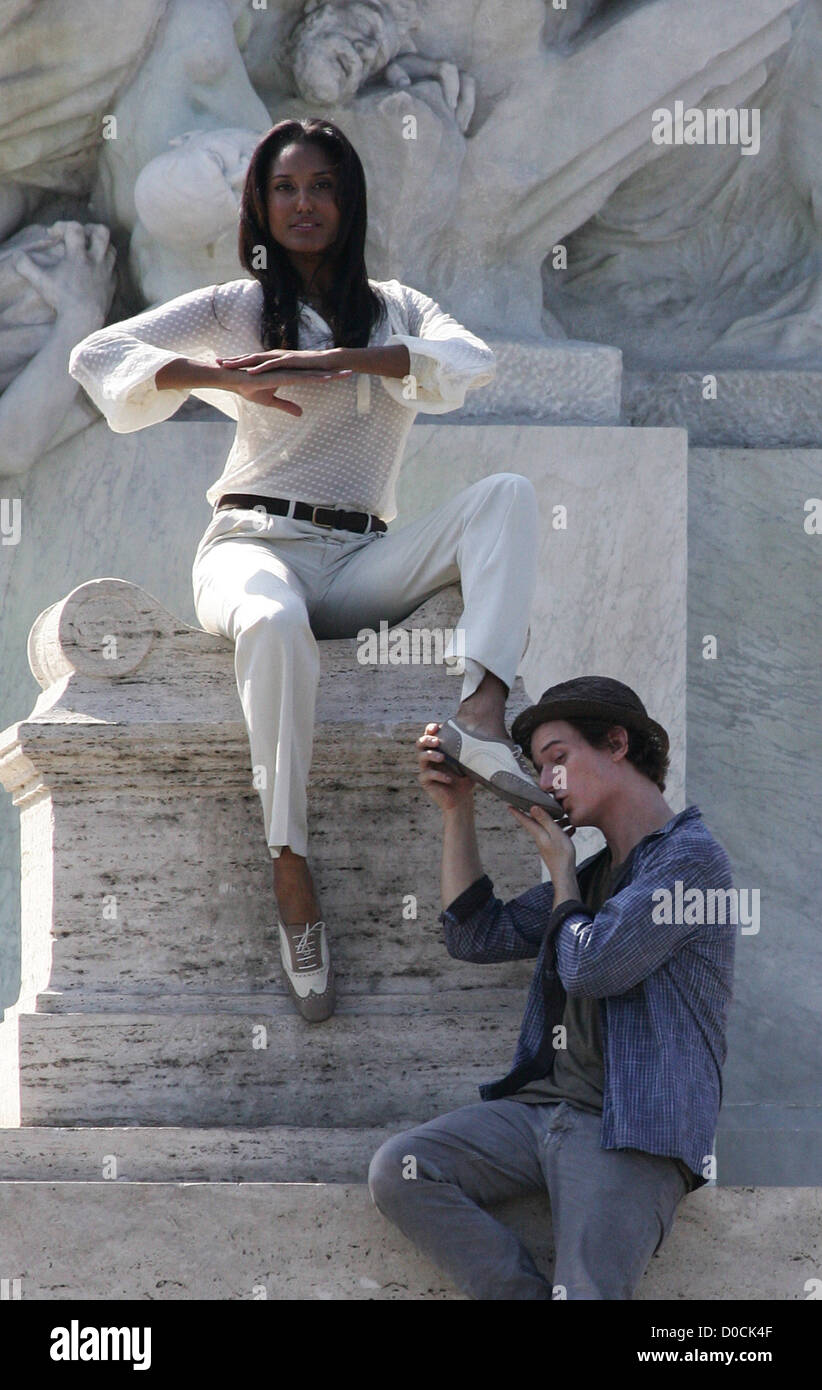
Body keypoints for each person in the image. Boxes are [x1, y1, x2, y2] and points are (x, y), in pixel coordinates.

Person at [68, 117, 557, 1023]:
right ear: (260, 202)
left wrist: (330, 359)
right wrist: (217, 376)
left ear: (348, 200)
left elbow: (472, 361)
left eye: (323, 186)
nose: (304, 203)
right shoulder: (235, 305)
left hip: (364, 553)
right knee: (271, 622)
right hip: (252, 547)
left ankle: (481, 714)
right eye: (286, 187)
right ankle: (290, 867)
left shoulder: (399, 308)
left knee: (507, 494)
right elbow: (96, 355)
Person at [368, 676, 737, 1299]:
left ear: (617, 743)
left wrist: (561, 874)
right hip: (538, 1114)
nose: (546, 784)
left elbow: (595, 967)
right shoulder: (596, 875)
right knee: (403, 1171)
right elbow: (475, 935)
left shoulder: (692, 863)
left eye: (559, 760)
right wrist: (458, 811)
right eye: (540, 769)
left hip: (629, 1130)